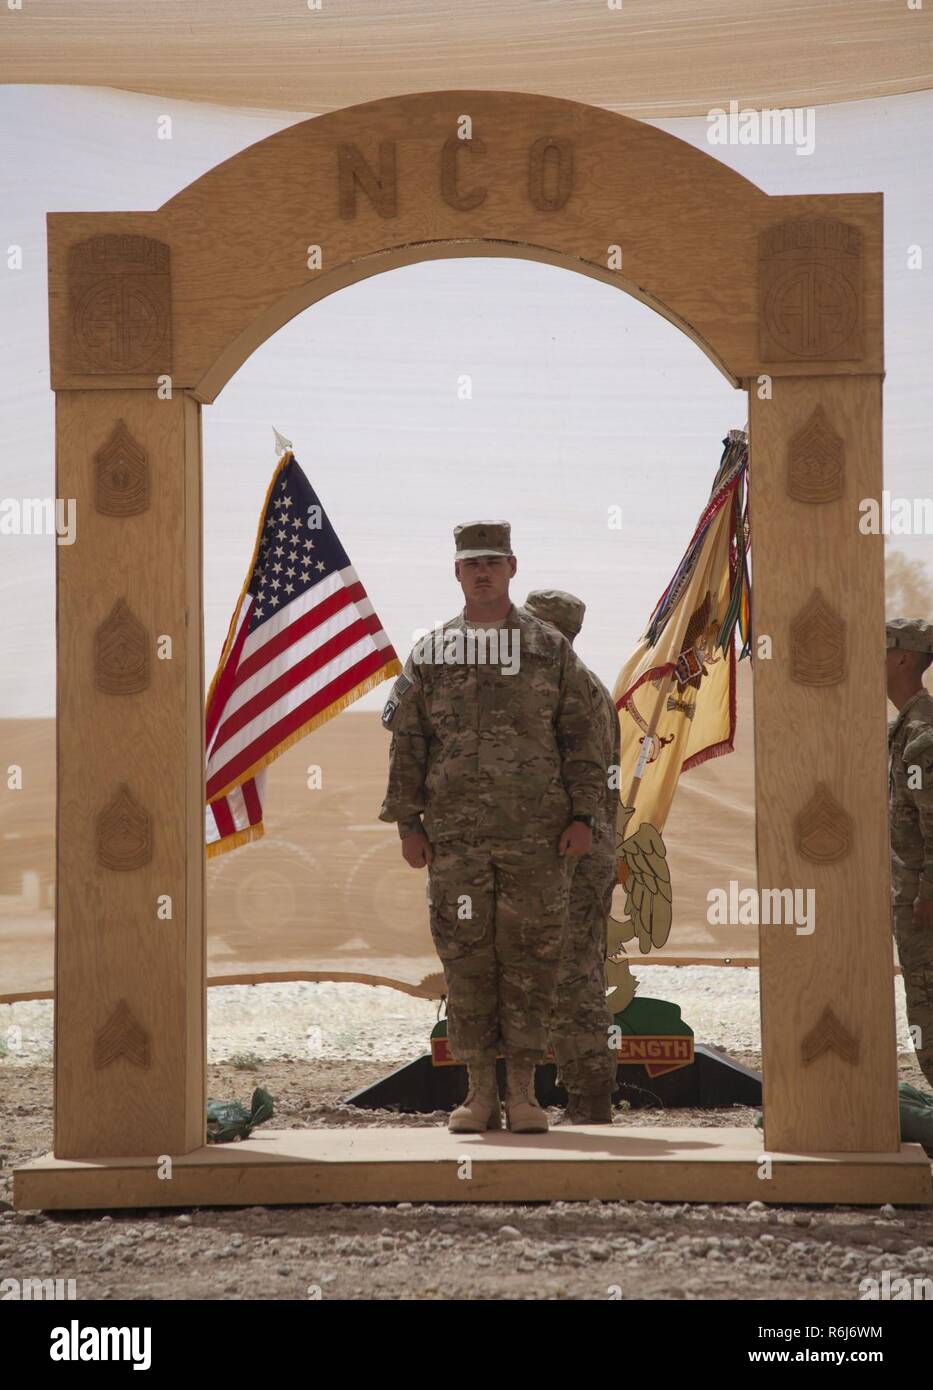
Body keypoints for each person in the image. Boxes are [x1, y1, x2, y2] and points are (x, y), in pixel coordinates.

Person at [379, 522, 606, 1134]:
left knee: (532, 960)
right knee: (466, 959)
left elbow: (581, 737)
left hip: (537, 837)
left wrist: (585, 815)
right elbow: (409, 741)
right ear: (457, 573)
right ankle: (479, 1094)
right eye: (471, 563)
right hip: (455, 841)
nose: (483, 572)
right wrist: (408, 821)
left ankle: (526, 1094)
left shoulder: (549, 650)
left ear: (512, 568)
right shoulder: (433, 651)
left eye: (493, 562)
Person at [523, 589, 619, 1122]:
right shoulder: (582, 684)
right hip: (581, 850)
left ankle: (589, 1093)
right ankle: (584, 1090)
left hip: (576, 854)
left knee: (572, 971)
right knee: (572, 967)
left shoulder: (569, 687)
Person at [886, 617, 933, 1089]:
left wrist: (928, 894)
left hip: (923, 905)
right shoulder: (904, 728)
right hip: (913, 898)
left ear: (902, 658)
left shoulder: (921, 734)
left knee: (929, 1016)